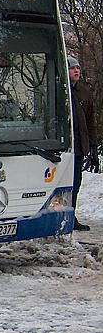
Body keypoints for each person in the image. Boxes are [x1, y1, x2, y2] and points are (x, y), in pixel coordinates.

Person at [68, 55, 95, 231]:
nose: (76, 70)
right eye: (72, 68)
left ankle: (71, 215)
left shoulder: (84, 92)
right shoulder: (61, 89)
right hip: (63, 148)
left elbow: (90, 122)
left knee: (76, 183)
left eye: (78, 67)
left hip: (79, 147)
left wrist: (92, 147)